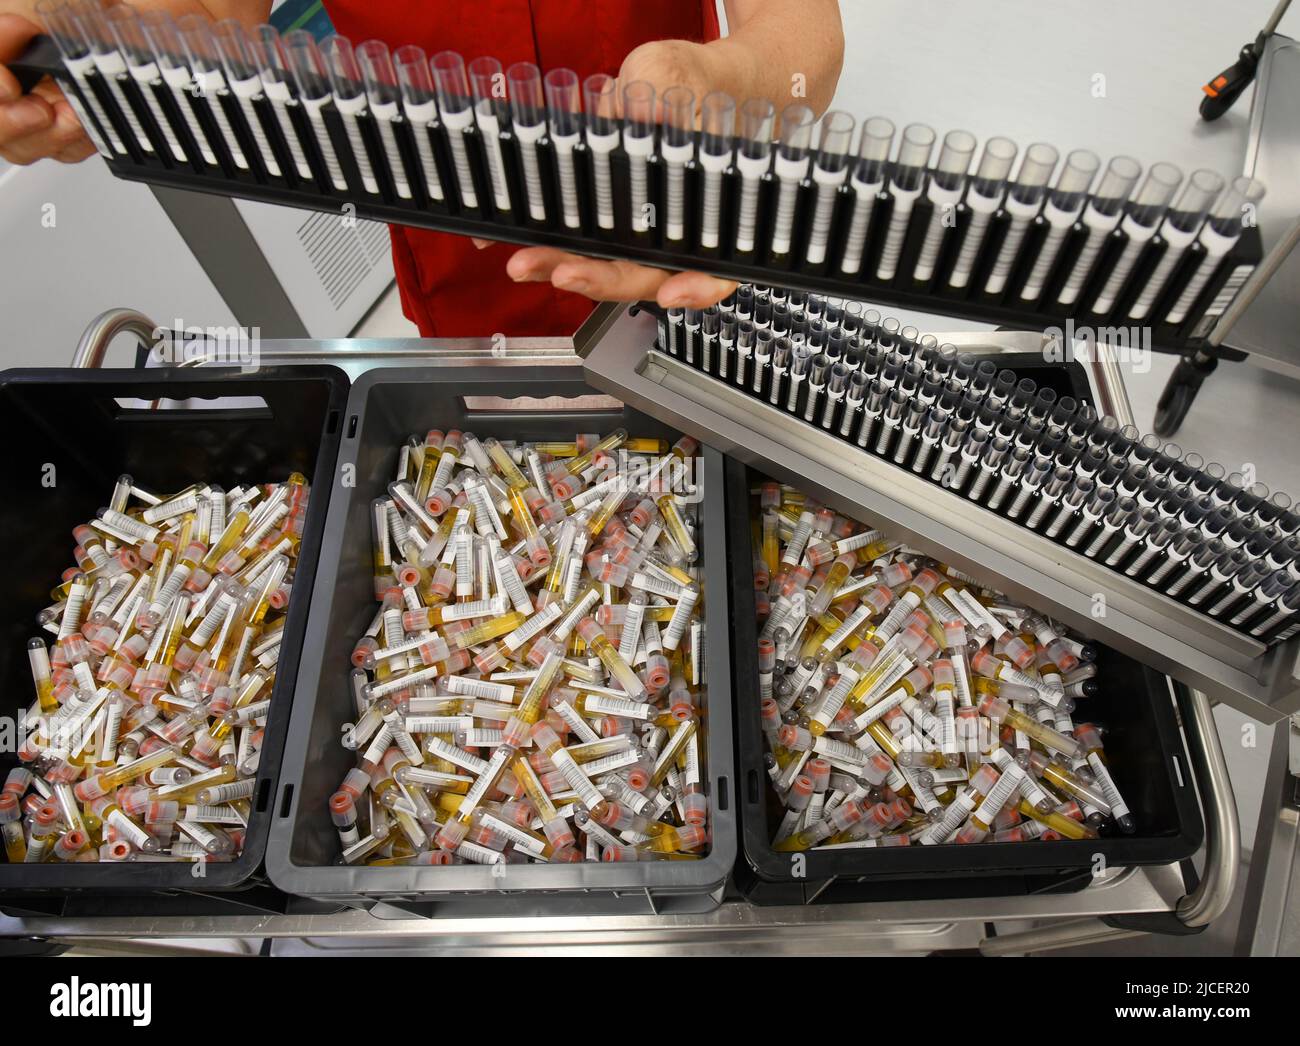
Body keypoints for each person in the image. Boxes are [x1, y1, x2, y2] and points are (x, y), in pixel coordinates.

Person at [0, 0, 843, 335]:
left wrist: (711, 80)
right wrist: (93, 33)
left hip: (686, 223)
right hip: (467, 255)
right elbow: (209, 11)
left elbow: (807, 45)